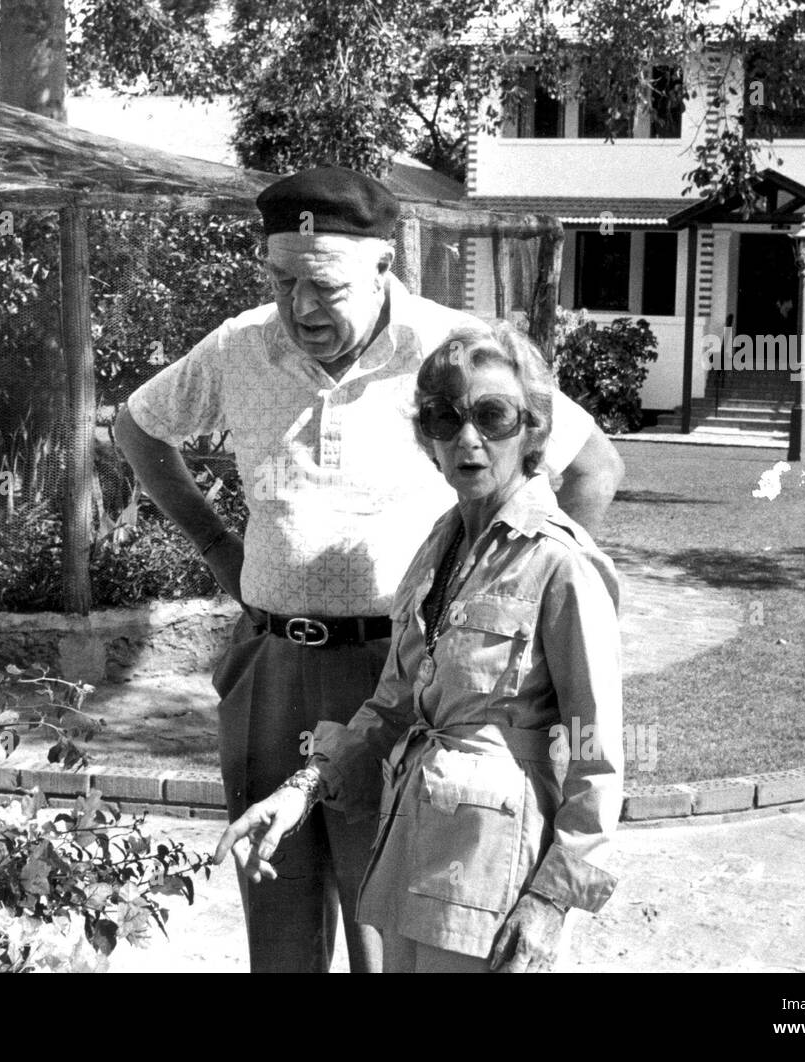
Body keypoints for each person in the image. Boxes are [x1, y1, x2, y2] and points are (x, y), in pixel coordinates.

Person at [115, 166, 624, 973]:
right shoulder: (241, 346)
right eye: (282, 281)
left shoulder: (453, 357)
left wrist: (516, 595)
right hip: (269, 669)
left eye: (323, 286)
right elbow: (137, 427)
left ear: (385, 266)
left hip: (399, 683)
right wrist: (221, 551)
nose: (301, 308)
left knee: (383, 933)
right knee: (276, 927)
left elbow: (592, 467)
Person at [213, 322, 623, 973]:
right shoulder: (440, 545)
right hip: (409, 853)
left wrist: (549, 903)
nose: (466, 438)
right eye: (443, 416)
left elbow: (596, 752)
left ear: (535, 428)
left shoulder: (560, 565)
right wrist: (302, 788)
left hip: (495, 875)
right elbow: (393, 702)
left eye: (491, 416)